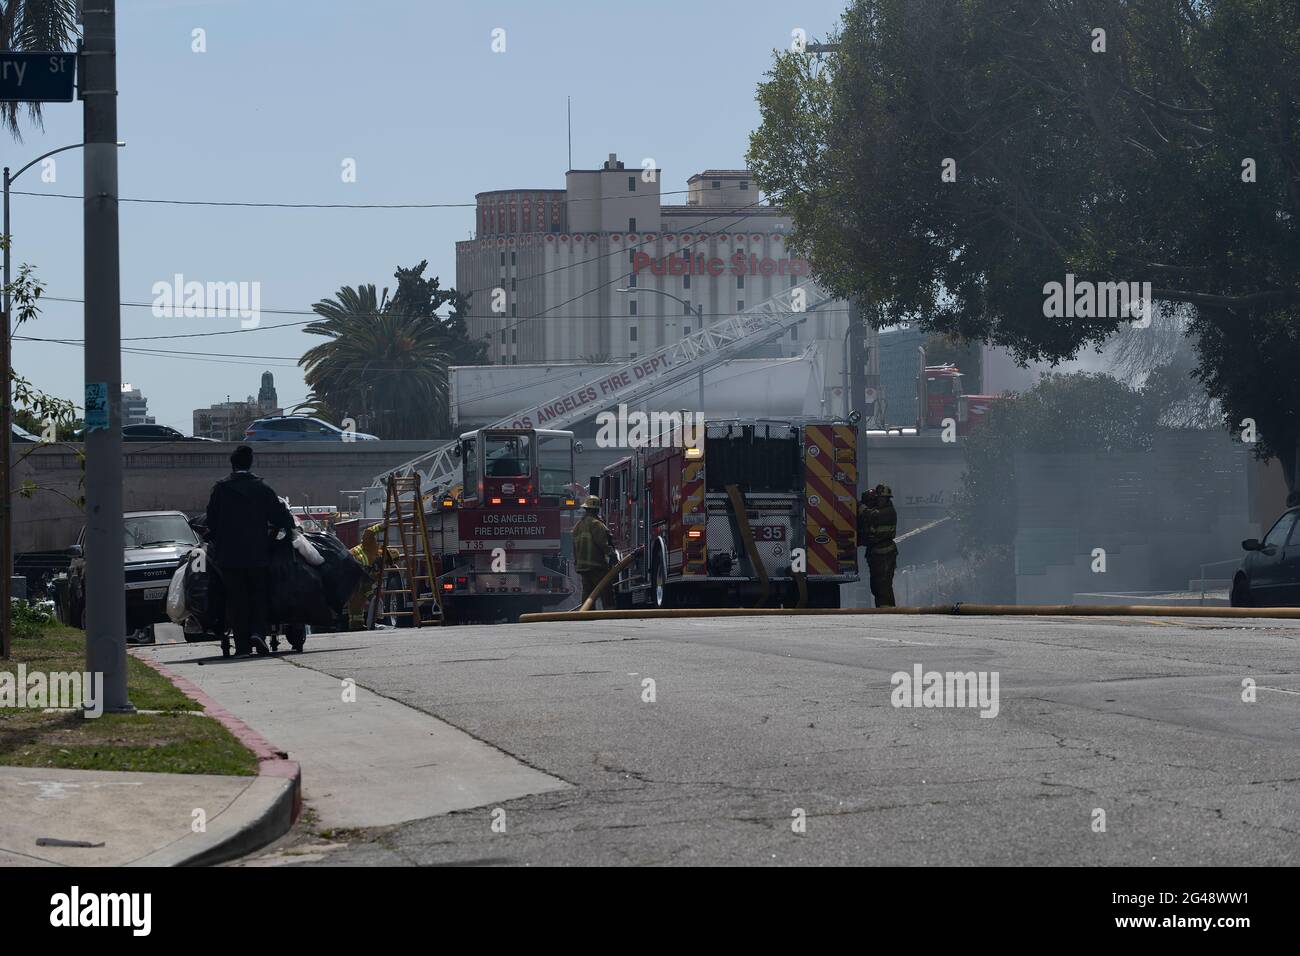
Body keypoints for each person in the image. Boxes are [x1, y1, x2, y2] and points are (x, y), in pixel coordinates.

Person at [204, 445, 295, 656]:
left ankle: (242, 645)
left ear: (233, 465)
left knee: (237, 599)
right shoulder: (262, 489)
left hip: (229, 556)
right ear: (250, 464)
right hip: (258, 554)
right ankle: (258, 633)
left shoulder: (220, 490)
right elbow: (282, 518)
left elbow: (211, 522)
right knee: (258, 596)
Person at [571, 495, 616, 609]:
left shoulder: (578, 526)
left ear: (586, 509)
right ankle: (609, 613)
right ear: (596, 509)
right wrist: (612, 554)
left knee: (588, 593)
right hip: (596, 566)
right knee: (606, 591)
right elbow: (602, 543)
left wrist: (577, 563)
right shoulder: (596, 524)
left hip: (583, 567)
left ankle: (587, 614)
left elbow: (574, 548)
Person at [859, 483, 898, 608]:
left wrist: (859, 506)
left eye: (882, 498)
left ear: (887, 499)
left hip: (886, 554)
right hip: (877, 553)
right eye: (878, 498)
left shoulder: (888, 512)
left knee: (883, 585)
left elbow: (870, 515)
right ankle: (883, 609)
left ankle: (888, 610)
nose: (879, 500)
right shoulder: (880, 509)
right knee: (876, 585)